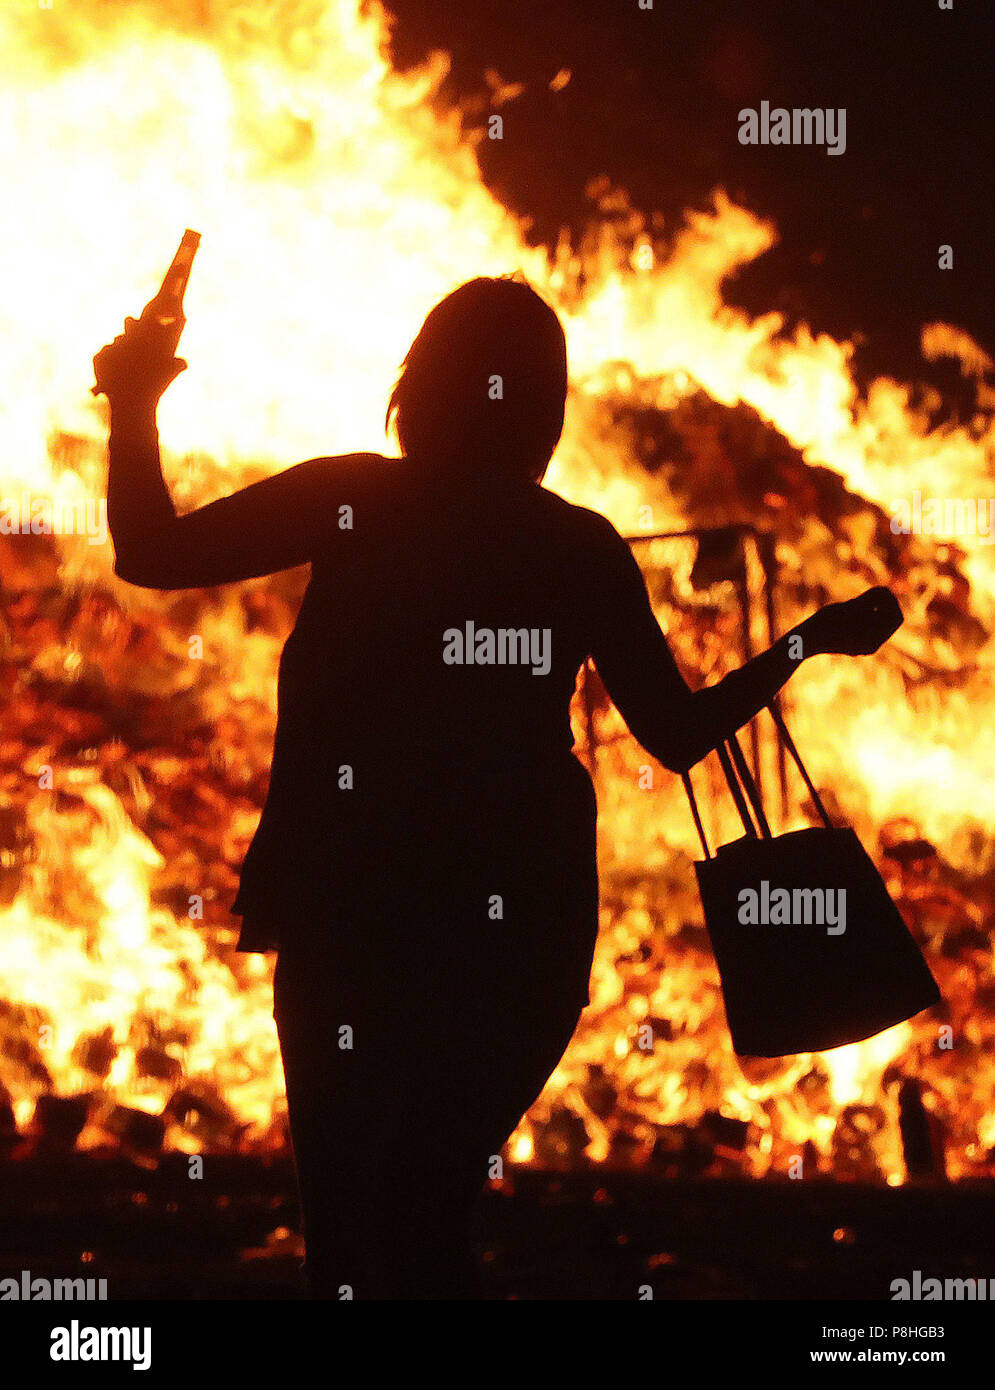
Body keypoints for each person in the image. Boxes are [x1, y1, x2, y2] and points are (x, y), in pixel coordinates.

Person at [95, 273, 902, 1299]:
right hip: (515, 931)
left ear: (416, 384)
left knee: (348, 1238)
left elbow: (151, 550)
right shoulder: (574, 546)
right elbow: (679, 732)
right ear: (542, 407)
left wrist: (131, 401)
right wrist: (804, 641)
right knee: (427, 1220)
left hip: (351, 909)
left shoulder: (352, 499)